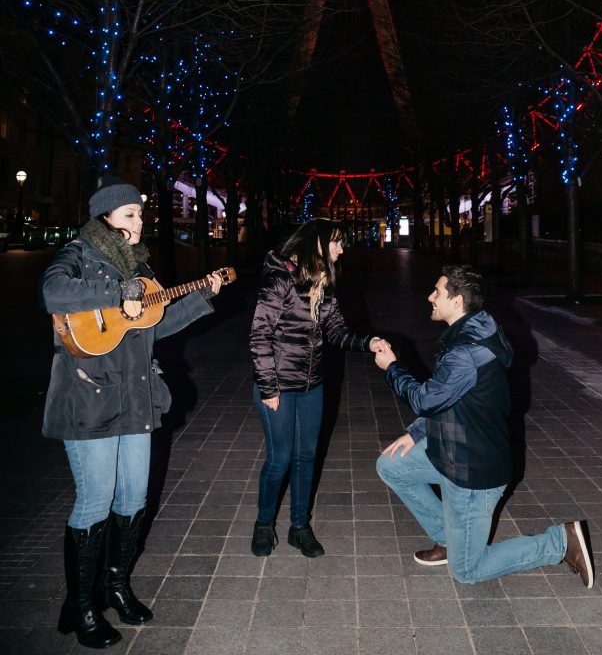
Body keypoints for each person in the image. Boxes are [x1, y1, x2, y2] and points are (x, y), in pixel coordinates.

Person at [41, 176, 225, 649]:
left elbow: (154, 328)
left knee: (133, 499)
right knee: (95, 500)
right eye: (130, 215)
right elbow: (54, 294)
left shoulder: (139, 267)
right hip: (90, 400)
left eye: (141, 213)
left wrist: (204, 294)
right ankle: (82, 605)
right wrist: (113, 296)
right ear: (105, 218)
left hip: (136, 400)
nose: (140, 221)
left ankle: (116, 587)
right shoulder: (77, 254)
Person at [373, 264, 595, 588]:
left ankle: (561, 543)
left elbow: (426, 399)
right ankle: (448, 538)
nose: (430, 296)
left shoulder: (466, 351)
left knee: (468, 571)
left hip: (472, 472)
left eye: (438, 291)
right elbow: (452, 398)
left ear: (458, 301)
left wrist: (392, 367)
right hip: (451, 446)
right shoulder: (471, 329)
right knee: (390, 466)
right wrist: (418, 431)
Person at [250, 218, 383, 558]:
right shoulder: (280, 278)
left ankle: (299, 527)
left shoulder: (325, 285)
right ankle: (264, 524)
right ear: (318, 244)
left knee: (307, 456)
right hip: (278, 384)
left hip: (312, 385)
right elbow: (259, 336)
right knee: (280, 458)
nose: (342, 248)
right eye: (337, 241)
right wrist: (269, 389)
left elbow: (336, 332)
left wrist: (369, 343)